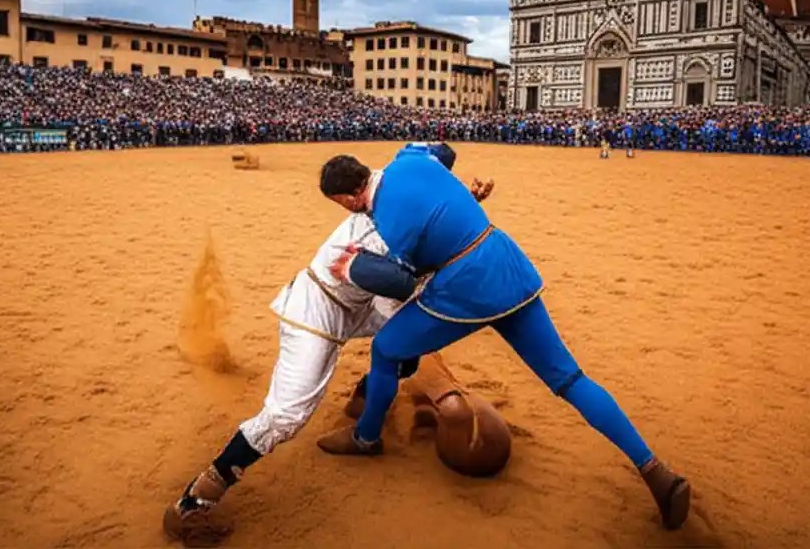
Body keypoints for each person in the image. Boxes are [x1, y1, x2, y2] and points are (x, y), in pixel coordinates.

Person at [313, 147, 691, 531]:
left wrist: (354, 267)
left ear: (347, 198)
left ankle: (366, 437)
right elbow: (444, 152)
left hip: (467, 287)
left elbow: (400, 281)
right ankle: (655, 471)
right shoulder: (409, 157)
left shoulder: (390, 219)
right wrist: (461, 194)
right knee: (570, 379)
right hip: (506, 261)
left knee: (386, 347)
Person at [164, 143, 496, 544]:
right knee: (286, 416)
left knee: (406, 344)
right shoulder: (389, 210)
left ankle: (367, 401)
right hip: (317, 312)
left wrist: (464, 197)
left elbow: (437, 165)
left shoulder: (393, 194)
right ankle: (194, 499)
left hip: (357, 302)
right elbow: (396, 281)